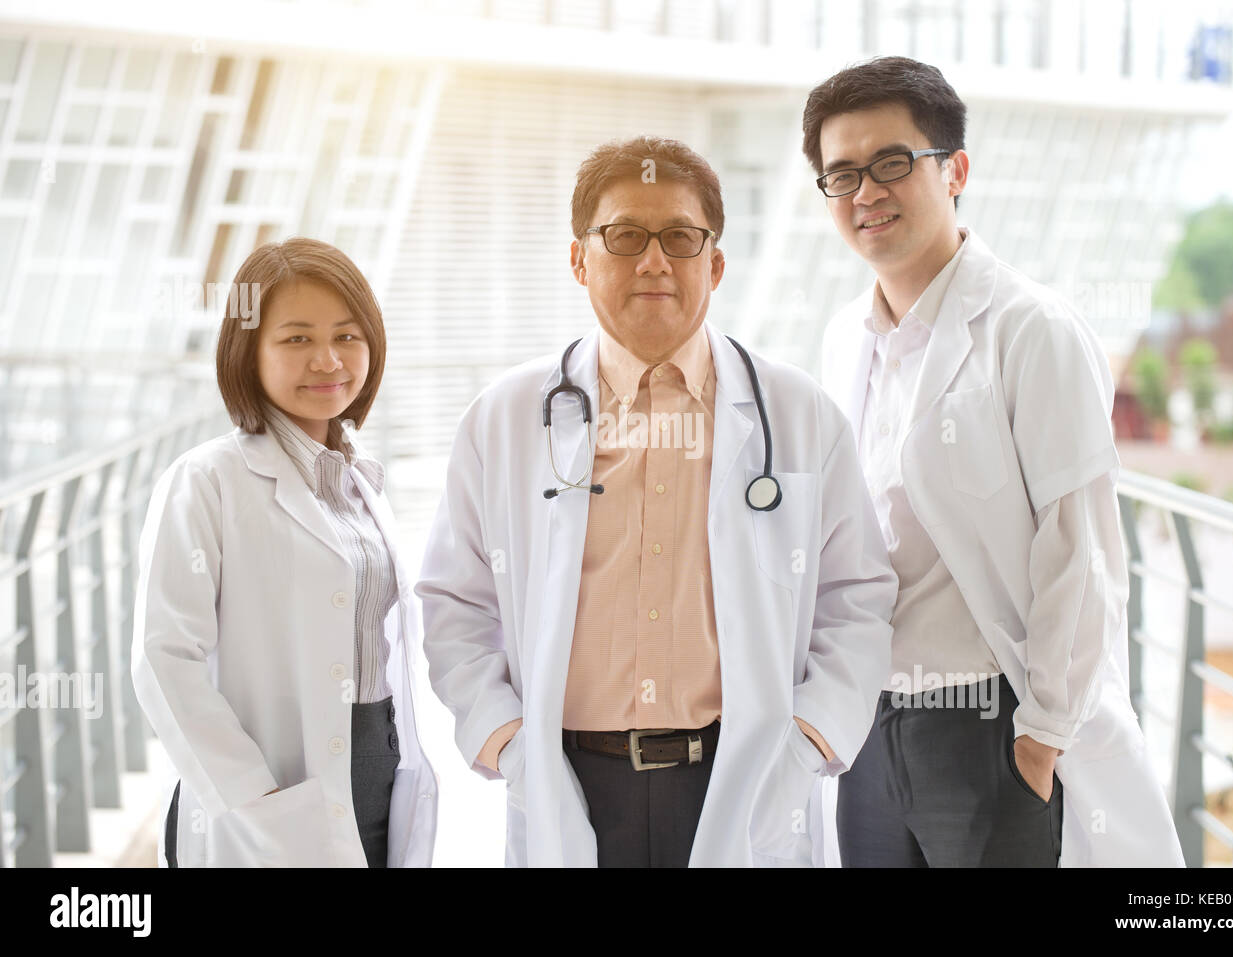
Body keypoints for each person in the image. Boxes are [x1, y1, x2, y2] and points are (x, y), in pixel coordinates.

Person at [416, 135, 896, 867]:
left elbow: (858, 596)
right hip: (567, 778)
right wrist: (509, 745)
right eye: (624, 236)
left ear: (716, 263)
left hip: (743, 777)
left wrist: (808, 741)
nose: (653, 261)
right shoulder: (504, 417)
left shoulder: (798, 415)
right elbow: (454, 601)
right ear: (579, 259)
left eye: (679, 237)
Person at [806, 56, 1184, 866]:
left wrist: (1040, 740)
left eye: (892, 163)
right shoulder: (845, 340)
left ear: (956, 172)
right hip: (868, 731)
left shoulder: (1031, 328)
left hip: (989, 731)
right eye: (841, 175)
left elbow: (1080, 552)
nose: (866, 191)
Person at [132, 238, 439, 867]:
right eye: (296, 339)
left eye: (348, 336)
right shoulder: (207, 481)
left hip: (376, 776)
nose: (327, 360)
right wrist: (256, 796)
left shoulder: (359, 482)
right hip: (268, 793)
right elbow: (164, 659)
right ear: (250, 353)